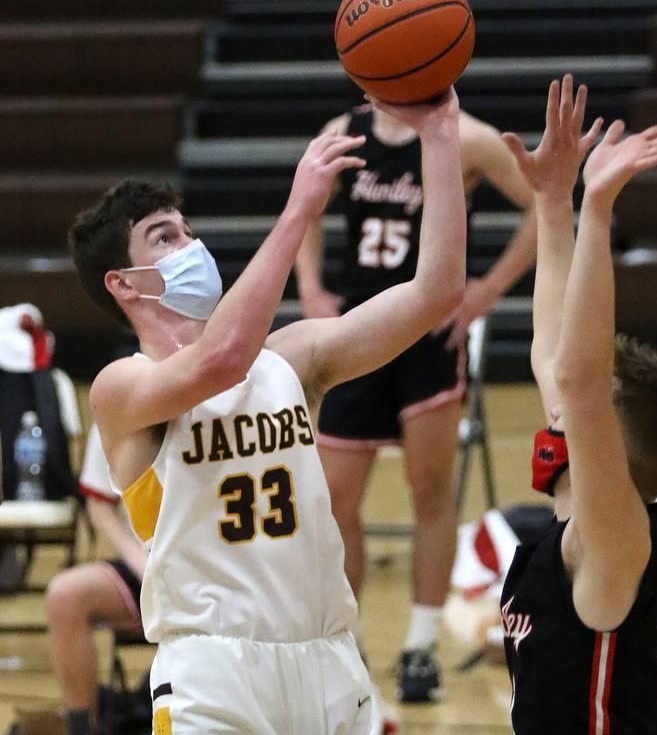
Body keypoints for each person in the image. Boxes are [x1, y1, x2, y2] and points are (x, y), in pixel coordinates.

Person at [67, 92, 464, 735]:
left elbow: (435, 291)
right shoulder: (122, 387)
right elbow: (221, 358)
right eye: (164, 237)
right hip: (210, 668)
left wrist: (440, 135)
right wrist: (300, 208)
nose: (190, 245)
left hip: (330, 657)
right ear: (124, 281)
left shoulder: (293, 358)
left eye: (189, 230)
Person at [498, 75, 657, 735]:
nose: (565, 400)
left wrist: (596, 210)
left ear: (610, 448)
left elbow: (577, 372)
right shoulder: (585, 520)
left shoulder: (619, 541)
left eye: (588, 405)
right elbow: (555, 349)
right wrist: (551, 200)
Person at [294, 99, 537, 703]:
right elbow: (305, 210)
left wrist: (490, 289)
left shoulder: (470, 138)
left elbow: (547, 204)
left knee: (430, 492)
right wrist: (311, 289)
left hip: (428, 339)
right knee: (334, 499)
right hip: (357, 333)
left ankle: (421, 648)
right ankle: (342, 643)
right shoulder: (341, 131)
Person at [45, 424, 148, 735]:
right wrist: (137, 558)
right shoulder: (118, 401)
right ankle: (84, 727)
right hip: (149, 562)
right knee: (65, 596)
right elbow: (98, 503)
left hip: (220, 567)